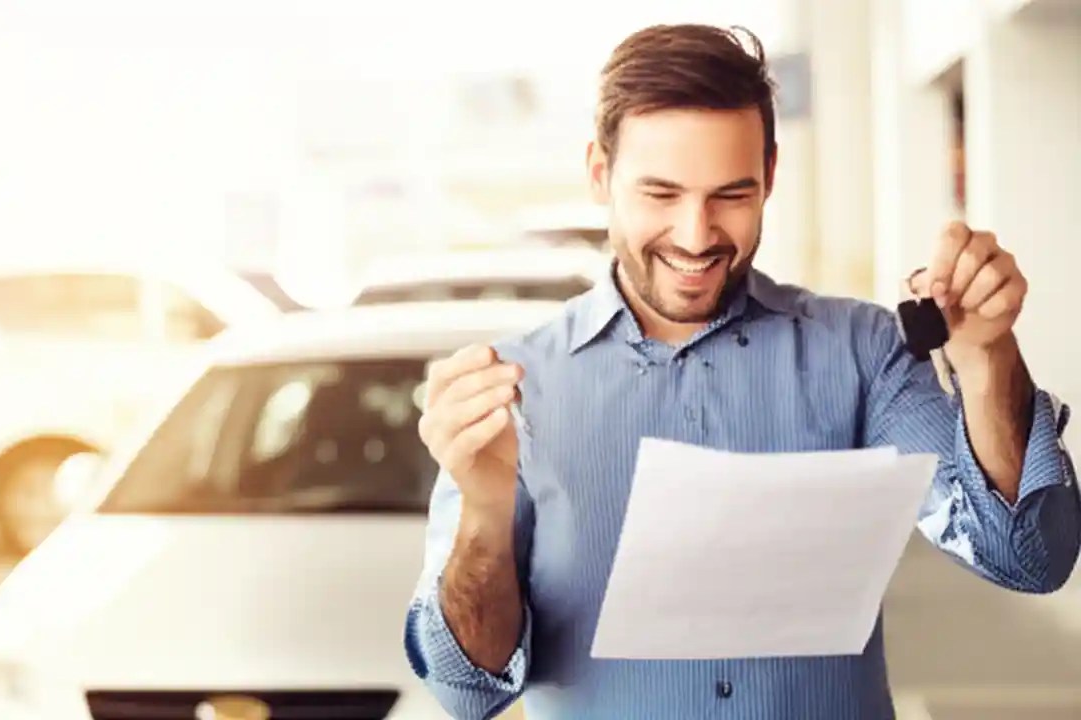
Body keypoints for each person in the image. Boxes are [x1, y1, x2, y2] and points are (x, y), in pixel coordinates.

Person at [403, 23, 1080, 720]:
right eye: (661, 195)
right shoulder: (515, 388)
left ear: (770, 177)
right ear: (600, 175)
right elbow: (466, 691)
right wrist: (484, 513)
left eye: (730, 194)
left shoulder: (863, 353)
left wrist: (987, 358)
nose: (696, 237)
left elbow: (1027, 558)